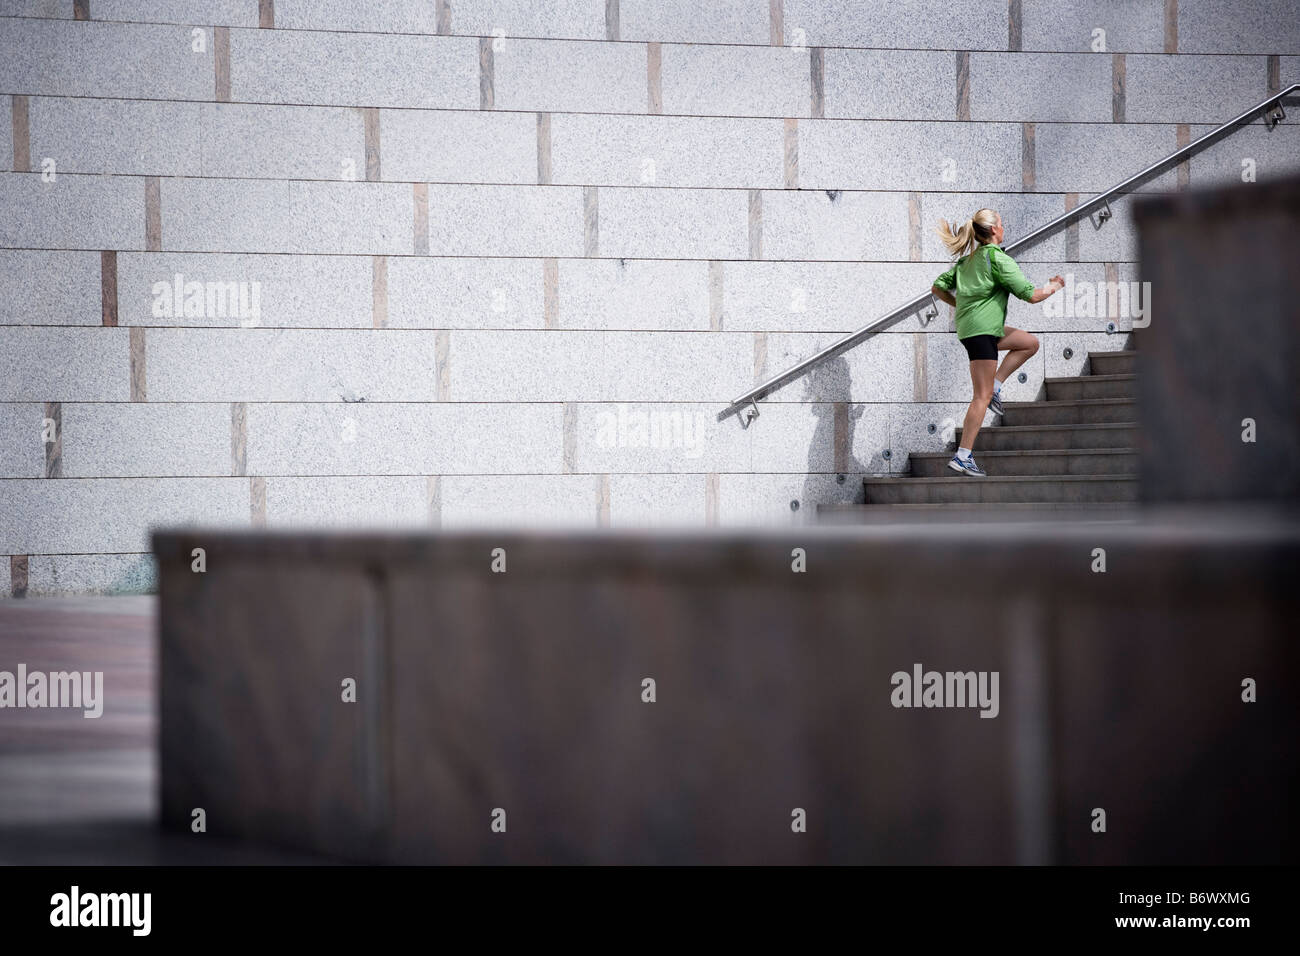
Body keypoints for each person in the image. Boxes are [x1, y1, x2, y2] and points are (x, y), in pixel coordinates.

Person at [930, 208, 1064, 477]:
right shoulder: (998, 259)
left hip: (980, 328)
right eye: (1001, 224)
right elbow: (1031, 296)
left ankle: (997, 384)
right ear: (993, 230)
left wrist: (960, 306)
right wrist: (1054, 286)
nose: (1003, 228)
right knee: (981, 397)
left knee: (1029, 343)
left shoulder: (966, 262)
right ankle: (963, 456)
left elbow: (937, 287)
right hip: (982, 331)